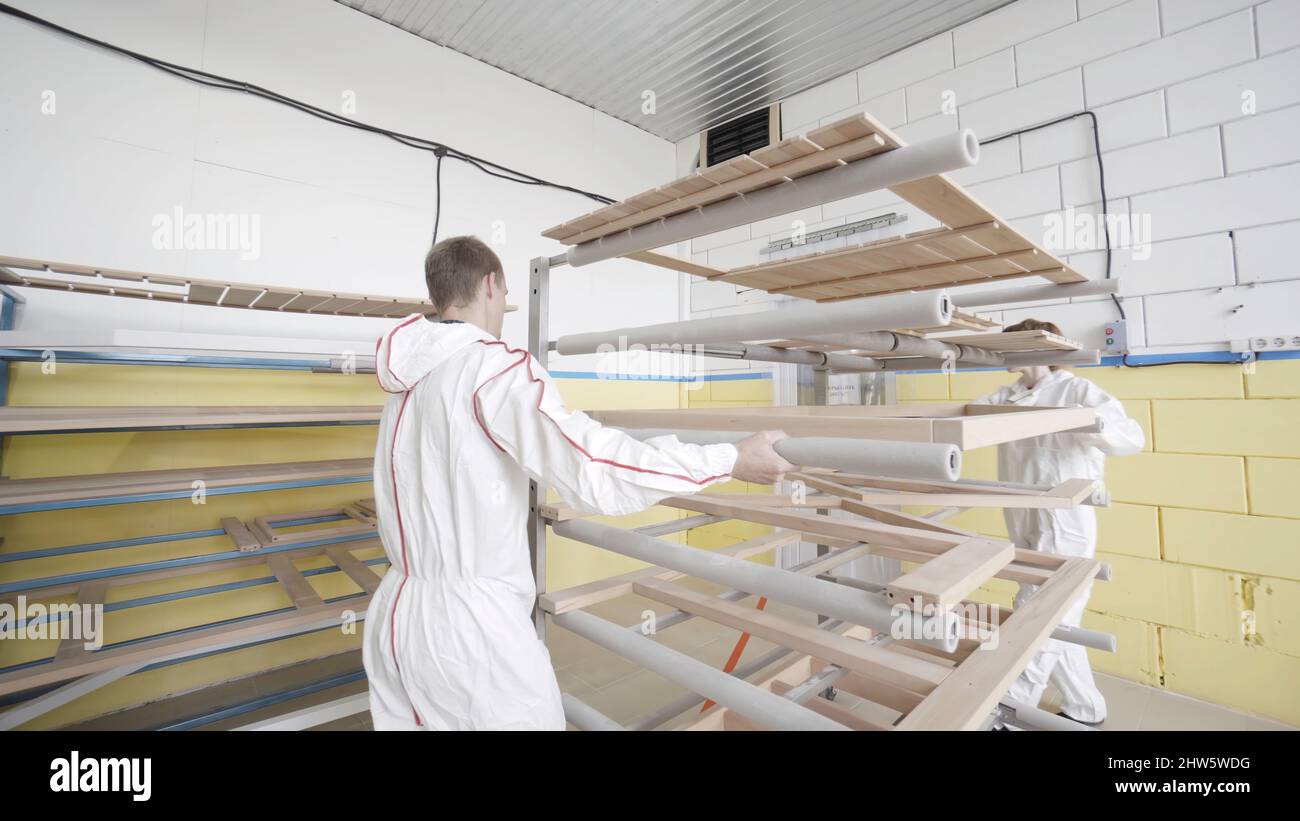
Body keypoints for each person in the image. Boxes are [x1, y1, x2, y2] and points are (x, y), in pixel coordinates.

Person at [362, 235, 795, 730]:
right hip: (471, 634)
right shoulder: (492, 369)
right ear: (490, 284)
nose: (504, 306)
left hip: (397, 614)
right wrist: (728, 459)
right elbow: (594, 468)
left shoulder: (407, 382)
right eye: (504, 295)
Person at [973, 318, 1144, 726]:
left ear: (1036, 347)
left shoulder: (1078, 391)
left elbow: (1131, 438)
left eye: (1012, 347)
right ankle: (1087, 708)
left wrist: (1085, 421)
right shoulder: (1007, 395)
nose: (1005, 356)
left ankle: (1008, 710)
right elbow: (962, 418)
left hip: (1066, 519)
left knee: (1039, 613)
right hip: (1023, 514)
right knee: (1059, 614)